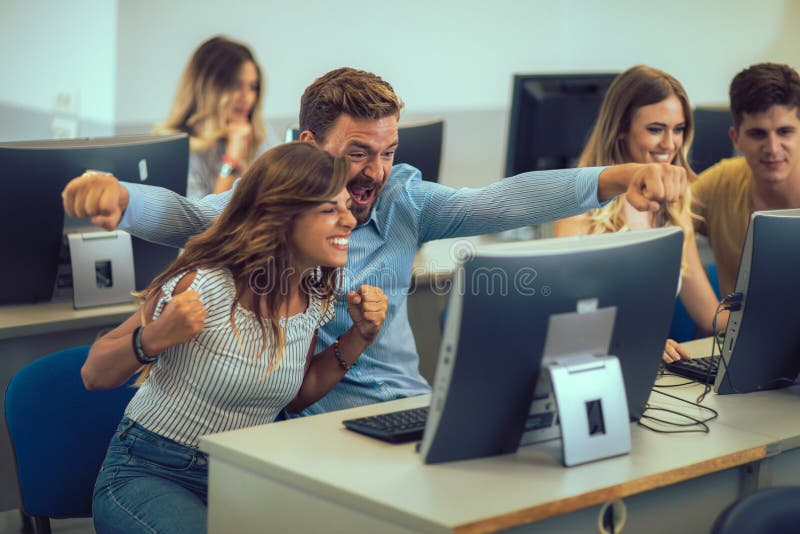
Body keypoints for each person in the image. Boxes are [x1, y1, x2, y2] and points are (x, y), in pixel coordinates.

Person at [63, 67, 686, 417]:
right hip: (315, 420)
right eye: (357, 153)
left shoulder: (403, 201)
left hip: (409, 407)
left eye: (388, 152)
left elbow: (498, 200)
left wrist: (615, 177)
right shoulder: (269, 203)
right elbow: (187, 217)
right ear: (308, 146)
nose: (375, 172)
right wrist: (120, 196)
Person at [80, 142, 389, 533]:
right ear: (281, 216)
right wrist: (153, 338)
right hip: (151, 470)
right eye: (331, 209)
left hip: (241, 474)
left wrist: (360, 336)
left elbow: (299, 392)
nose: (349, 220)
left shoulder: (314, 293)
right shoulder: (202, 283)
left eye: (347, 206)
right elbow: (93, 373)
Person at [553, 66, 724, 363]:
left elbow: (710, 317)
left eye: (679, 129)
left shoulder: (673, 208)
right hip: (593, 369)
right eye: (656, 129)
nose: (670, 144)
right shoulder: (580, 208)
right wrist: (632, 342)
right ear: (621, 129)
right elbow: (564, 320)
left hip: (649, 373)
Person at [692, 62, 800, 298]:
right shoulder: (720, 183)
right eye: (757, 134)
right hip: (738, 333)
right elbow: (663, 221)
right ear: (736, 138)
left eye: (784, 132)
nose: (772, 148)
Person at [155, 35, 268, 198]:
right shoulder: (175, 150)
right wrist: (233, 160)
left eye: (252, 86)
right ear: (207, 89)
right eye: (236, 85)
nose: (247, 98)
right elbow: (205, 222)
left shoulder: (259, 134)